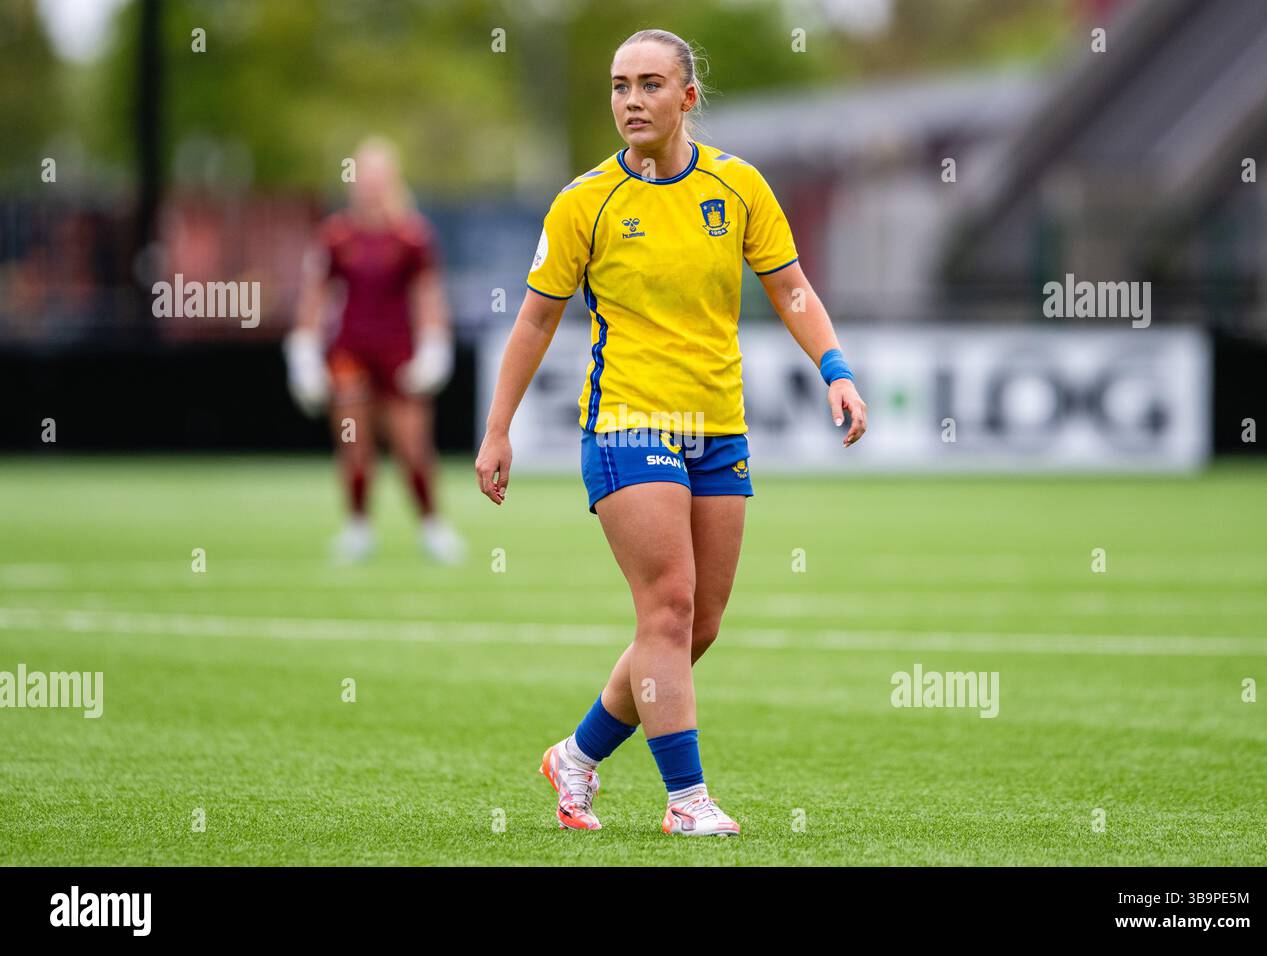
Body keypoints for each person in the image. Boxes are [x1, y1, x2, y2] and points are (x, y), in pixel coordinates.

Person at [475, 30, 866, 836]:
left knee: (699, 624)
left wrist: (837, 370)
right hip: (625, 423)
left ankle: (577, 756)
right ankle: (686, 800)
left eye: (650, 85)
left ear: (688, 97)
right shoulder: (585, 200)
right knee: (667, 606)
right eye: (620, 86)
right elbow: (536, 320)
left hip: (717, 426)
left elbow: (792, 290)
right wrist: (498, 428)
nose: (631, 101)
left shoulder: (739, 186)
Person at [287, 137, 465, 564]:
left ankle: (431, 525)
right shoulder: (335, 236)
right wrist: (303, 350)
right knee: (354, 444)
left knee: (411, 445)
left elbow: (428, 296)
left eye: (377, 177)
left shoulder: (412, 236)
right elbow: (314, 296)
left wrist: (435, 345)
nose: (369, 185)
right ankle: (358, 526)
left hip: (398, 351)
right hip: (350, 352)